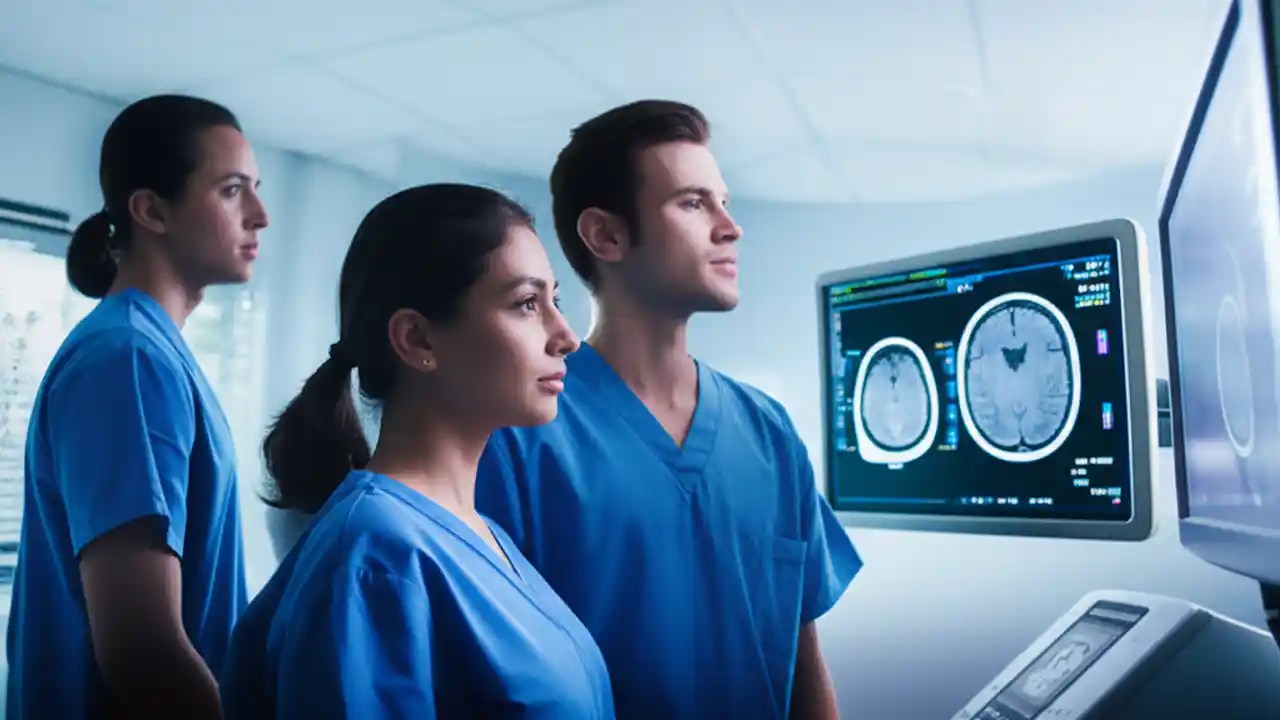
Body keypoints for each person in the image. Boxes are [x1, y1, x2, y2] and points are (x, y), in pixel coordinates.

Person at [475, 100, 864, 719]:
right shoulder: (517, 435)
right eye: (692, 203)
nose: (729, 227)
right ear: (606, 234)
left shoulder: (769, 433)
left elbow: (801, 646)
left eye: (725, 203)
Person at [220, 183, 614, 719]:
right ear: (418, 340)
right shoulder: (374, 555)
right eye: (526, 304)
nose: (565, 335)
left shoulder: (478, 535)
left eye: (555, 301)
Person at [6, 94, 268, 719]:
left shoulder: (147, 351)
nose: (260, 215)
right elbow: (141, 650)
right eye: (233, 191)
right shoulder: (128, 359)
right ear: (152, 210)